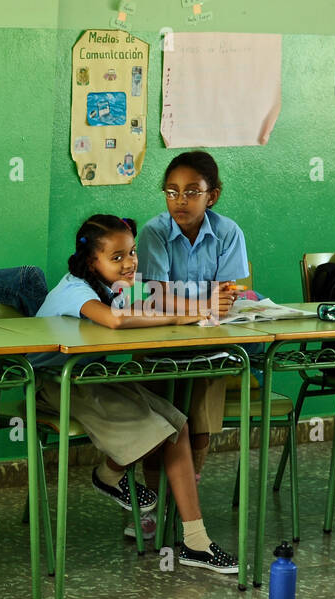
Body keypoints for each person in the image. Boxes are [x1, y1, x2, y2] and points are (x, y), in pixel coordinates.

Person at [33, 215, 238, 573]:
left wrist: (207, 306)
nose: (129, 263)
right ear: (91, 262)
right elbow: (115, 320)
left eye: (131, 253)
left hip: (88, 378)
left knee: (178, 426)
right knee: (159, 430)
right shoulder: (76, 289)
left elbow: (163, 301)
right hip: (50, 384)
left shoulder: (119, 283)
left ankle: (195, 542)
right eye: (116, 257)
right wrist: (183, 319)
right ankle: (109, 475)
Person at [136, 151, 246, 489]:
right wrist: (204, 304)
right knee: (157, 425)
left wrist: (205, 304)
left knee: (201, 413)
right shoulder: (153, 232)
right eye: (171, 191)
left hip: (206, 343)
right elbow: (154, 298)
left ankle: (187, 496)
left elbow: (225, 299)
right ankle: (152, 500)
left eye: (191, 192)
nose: (179, 200)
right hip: (157, 343)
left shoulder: (228, 232)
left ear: (212, 196)